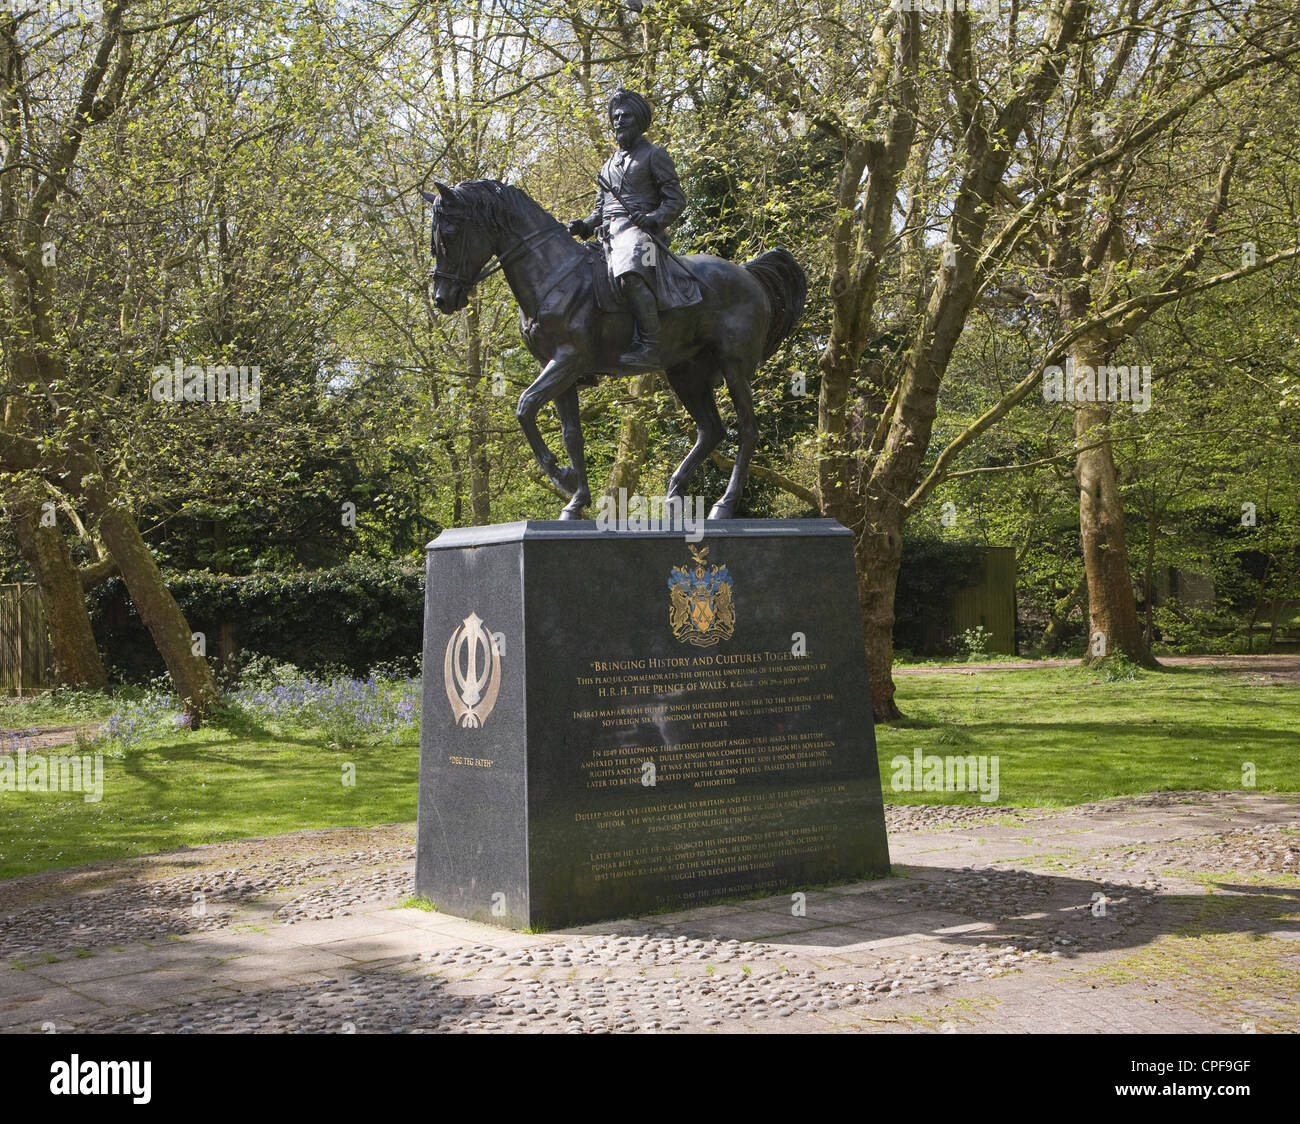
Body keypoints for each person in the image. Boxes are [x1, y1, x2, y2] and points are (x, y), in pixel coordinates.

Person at [568, 88, 699, 371]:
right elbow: (600, 210)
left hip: (641, 233)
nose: (619, 121)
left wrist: (653, 218)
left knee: (629, 271)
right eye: (615, 117)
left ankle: (650, 346)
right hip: (608, 234)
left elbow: (676, 200)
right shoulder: (608, 165)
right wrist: (585, 225)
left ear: (638, 120)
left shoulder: (654, 155)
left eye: (626, 116)